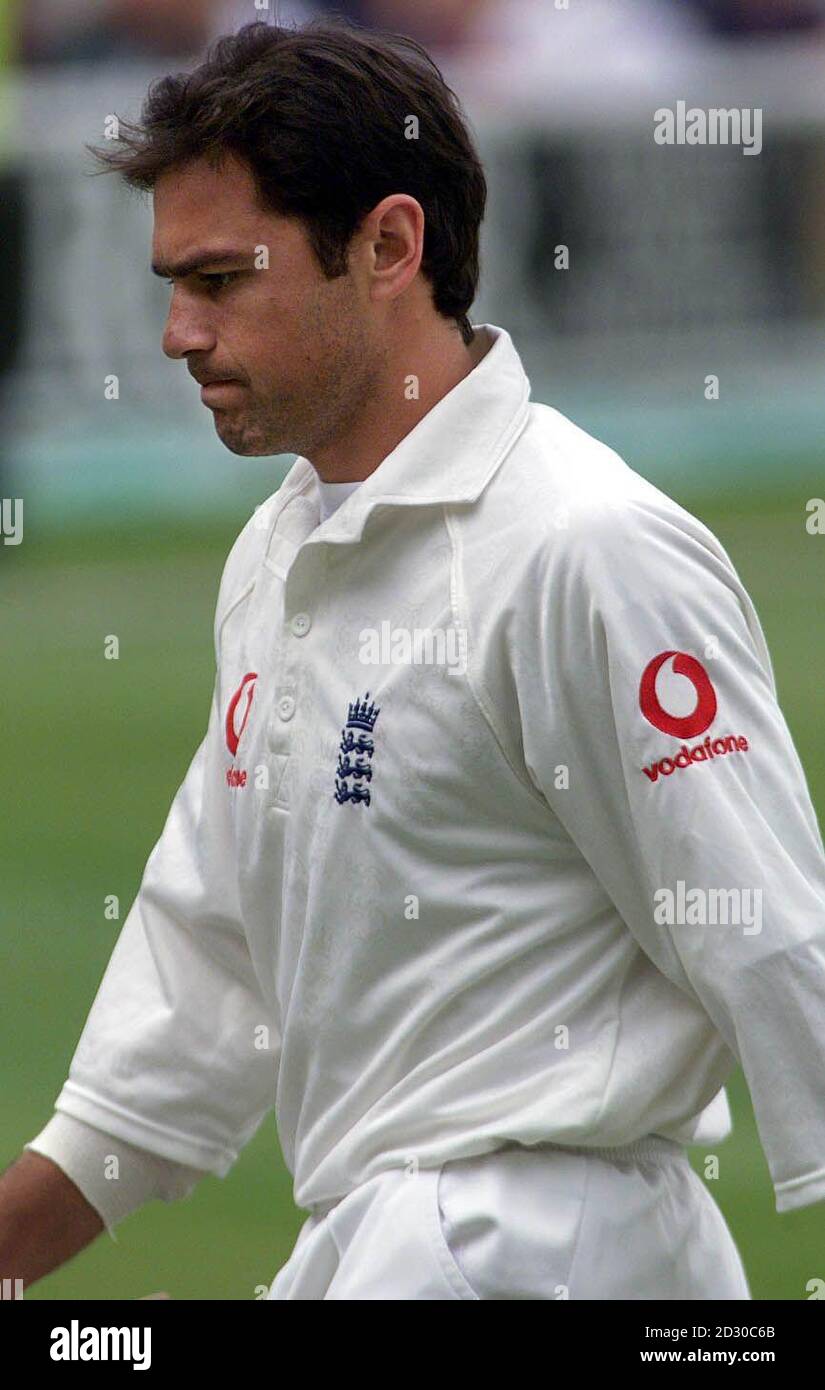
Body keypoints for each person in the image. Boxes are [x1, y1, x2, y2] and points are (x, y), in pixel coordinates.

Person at [2, 18, 824, 1301]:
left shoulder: (585, 545)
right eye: (172, 282)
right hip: (390, 1249)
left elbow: (778, 942)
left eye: (218, 280)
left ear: (389, 246)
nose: (175, 332)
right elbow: (210, 964)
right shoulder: (277, 554)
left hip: (538, 1249)